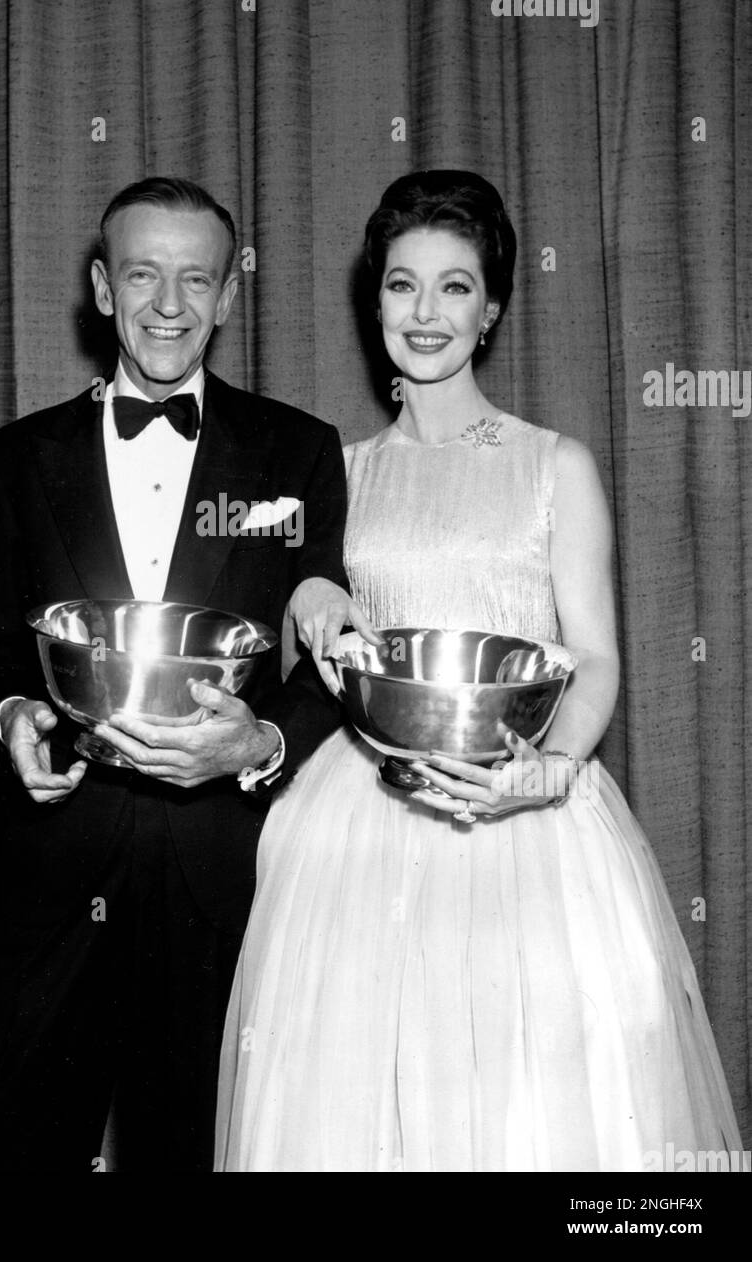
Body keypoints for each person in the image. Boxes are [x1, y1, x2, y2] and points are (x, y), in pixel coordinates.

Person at [215, 169, 744, 1172]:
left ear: (490, 308)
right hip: (356, 830)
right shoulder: (335, 474)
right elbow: (290, 619)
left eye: (454, 286)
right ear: (374, 301)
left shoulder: (554, 465)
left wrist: (544, 774)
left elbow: (593, 659)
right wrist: (308, 599)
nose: (425, 313)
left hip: (526, 818)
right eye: (402, 284)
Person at [0, 177, 349, 1173]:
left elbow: (329, 657)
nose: (168, 304)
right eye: (142, 275)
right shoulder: (14, 459)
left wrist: (259, 742)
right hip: (58, 870)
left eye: (195, 279)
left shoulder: (297, 453)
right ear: (100, 287)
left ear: (227, 295)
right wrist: (10, 716)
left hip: (222, 877)